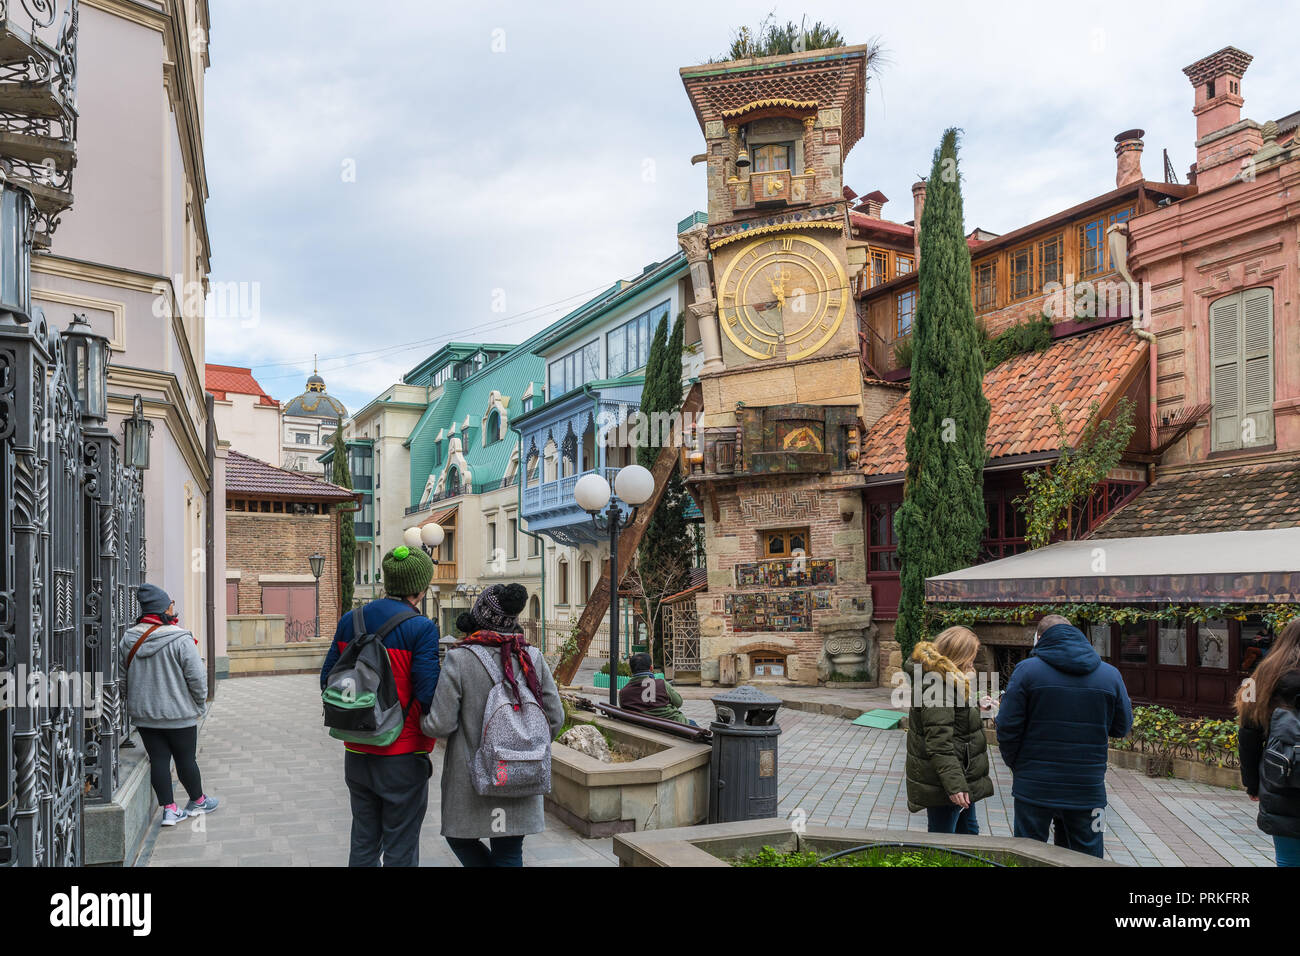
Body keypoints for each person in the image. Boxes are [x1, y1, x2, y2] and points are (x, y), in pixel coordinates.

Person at [422, 583, 563, 867]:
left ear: (479, 617)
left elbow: (440, 724)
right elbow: (555, 718)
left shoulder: (459, 659)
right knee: (510, 851)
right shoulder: (532, 657)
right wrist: (524, 745)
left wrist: (420, 719)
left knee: (459, 838)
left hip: (473, 780)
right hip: (520, 774)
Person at [320, 545, 441, 867]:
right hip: (402, 754)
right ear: (420, 587)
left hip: (356, 751)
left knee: (363, 841)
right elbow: (428, 693)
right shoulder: (421, 628)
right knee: (401, 846)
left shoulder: (351, 620)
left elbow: (327, 679)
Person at [996, 613, 1132, 858]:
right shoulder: (1110, 674)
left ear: (1038, 638)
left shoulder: (1026, 671)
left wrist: (1017, 764)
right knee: (1088, 857)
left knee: (1028, 855)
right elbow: (1121, 727)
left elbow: (1006, 726)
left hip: (1034, 785)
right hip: (1088, 788)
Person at [120, 584, 217, 826]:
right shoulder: (180, 638)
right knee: (186, 759)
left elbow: (123, 678)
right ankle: (197, 801)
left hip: (145, 715)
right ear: (164, 608)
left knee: (159, 760)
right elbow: (197, 678)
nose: (174, 606)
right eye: (171, 602)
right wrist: (198, 705)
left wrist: (134, 701)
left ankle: (170, 810)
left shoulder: (129, 639)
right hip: (179, 714)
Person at [904, 626, 994, 834]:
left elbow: (951, 718)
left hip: (959, 776)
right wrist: (955, 786)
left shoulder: (947, 680)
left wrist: (974, 707)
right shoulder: (939, 686)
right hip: (947, 784)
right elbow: (939, 742)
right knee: (944, 841)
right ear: (959, 655)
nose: (972, 662)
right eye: (971, 655)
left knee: (969, 835)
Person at [1236, 618, 1300, 866]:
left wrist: (1252, 784)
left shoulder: (1260, 677)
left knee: (1287, 859)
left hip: (1281, 780)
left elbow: (1248, 734)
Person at [618, 651, 694, 725]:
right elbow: (678, 702)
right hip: (675, 727)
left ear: (631, 670)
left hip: (643, 730)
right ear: (651, 668)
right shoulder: (661, 684)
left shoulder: (623, 693)